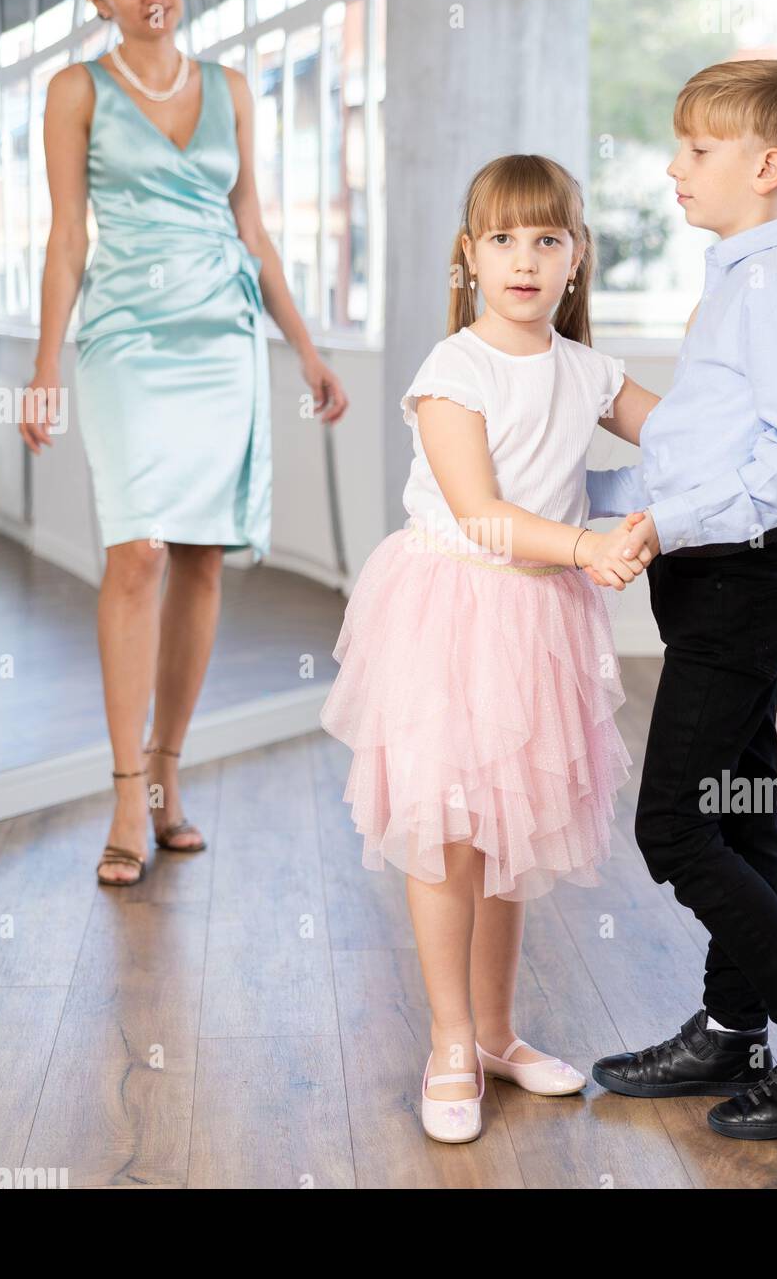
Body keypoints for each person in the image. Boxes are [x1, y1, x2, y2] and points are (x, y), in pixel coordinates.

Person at [320, 154, 662, 1143]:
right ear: (469, 257)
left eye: (547, 238)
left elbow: (673, 441)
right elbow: (478, 512)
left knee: (511, 838)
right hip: (452, 613)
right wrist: (592, 545)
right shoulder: (452, 370)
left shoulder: (587, 370)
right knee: (452, 837)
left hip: (540, 620)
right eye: (503, 239)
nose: (525, 258)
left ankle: (501, 1035)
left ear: (576, 258)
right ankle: (449, 1039)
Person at [586, 59, 777, 1140]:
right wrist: (594, 492)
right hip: (712, 575)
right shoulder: (734, 277)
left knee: (672, 823)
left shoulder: (771, 287)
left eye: (697, 150)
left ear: (763, 168)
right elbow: (704, 444)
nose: (674, 168)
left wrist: (662, 527)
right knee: (737, 806)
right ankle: (730, 1024)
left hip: (738, 580)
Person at [18, 0, 348, 885]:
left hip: (223, 340)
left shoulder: (234, 88)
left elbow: (254, 230)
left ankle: (168, 776)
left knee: (202, 558)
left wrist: (304, 347)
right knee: (137, 552)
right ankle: (125, 792)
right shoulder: (75, 90)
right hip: (125, 338)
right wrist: (44, 369)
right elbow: (67, 237)